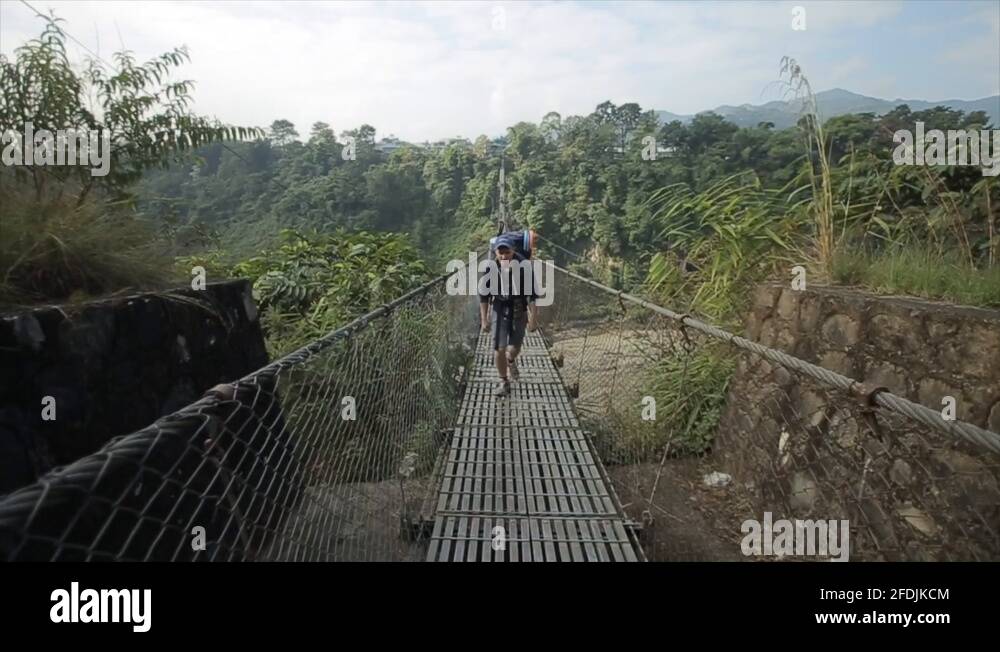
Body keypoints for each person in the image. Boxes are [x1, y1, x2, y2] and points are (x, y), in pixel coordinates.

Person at [479, 235, 538, 397]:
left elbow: (532, 295)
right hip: (499, 306)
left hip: (519, 306)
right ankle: (504, 381)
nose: (504, 256)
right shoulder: (490, 267)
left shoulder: (524, 266)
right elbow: (484, 296)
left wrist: (533, 319)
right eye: (501, 252)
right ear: (496, 252)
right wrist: (484, 319)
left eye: (507, 252)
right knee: (499, 347)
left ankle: (510, 360)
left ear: (513, 251)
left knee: (515, 346)